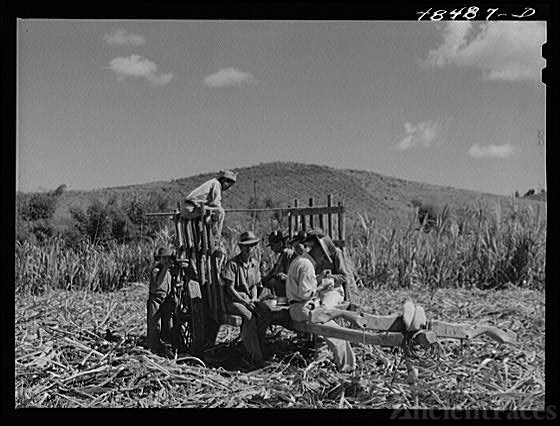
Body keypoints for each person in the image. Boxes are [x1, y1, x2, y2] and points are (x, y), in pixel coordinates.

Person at [286, 233, 356, 372]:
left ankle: (325, 357)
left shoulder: (299, 261)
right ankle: (348, 367)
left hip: (297, 307)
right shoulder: (307, 266)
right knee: (335, 332)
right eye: (323, 254)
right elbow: (305, 293)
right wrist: (321, 286)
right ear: (316, 249)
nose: (323, 258)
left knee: (328, 325)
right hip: (303, 307)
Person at [221, 231, 272, 368]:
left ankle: (256, 348)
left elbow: (254, 285)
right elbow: (230, 289)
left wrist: (254, 299)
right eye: (245, 246)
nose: (248, 249)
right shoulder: (232, 264)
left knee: (265, 313)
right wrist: (245, 302)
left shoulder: (255, 264)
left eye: (251, 246)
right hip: (235, 300)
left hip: (249, 299)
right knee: (249, 316)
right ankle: (256, 357)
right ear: (241, 247)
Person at [304, 228, 359, 304]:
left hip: (334, 291)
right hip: (318, 290)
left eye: (313, 246)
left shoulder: (336, 253)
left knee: (324, 309)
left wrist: (328, 277)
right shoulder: (311, 256)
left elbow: (344, 277)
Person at [184, 169, 237, 243]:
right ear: (224, 180)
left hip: (188, 208)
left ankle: (208, 233)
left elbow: (211, 204)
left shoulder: (212, 183)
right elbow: (216, 204)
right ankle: (216, 239)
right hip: (191, 208)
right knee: (221, 212)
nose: (229, 187)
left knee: (211, 213)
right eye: (229, 184)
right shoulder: (216, 184)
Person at [146, 246, 175, 353]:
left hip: (166, 299)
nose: (166, 260)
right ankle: (153, 348)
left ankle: (165, 345)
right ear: (160, 259)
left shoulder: (169, 271)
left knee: (168, 324)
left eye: (168, 258)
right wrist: (166, 268)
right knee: (154, 324)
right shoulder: (156, 270)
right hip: (156, 299)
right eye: (164, 258)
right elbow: (158, 283)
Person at [260, 230, 297, 298]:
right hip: (287, 285)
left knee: (272, 282)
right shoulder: (281, 255)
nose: (271, 248)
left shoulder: (288, 254)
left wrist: (281, 276)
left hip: (291, 287)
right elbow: (274, 271)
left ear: (280, 243)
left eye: (272, 245)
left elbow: (291, 276)